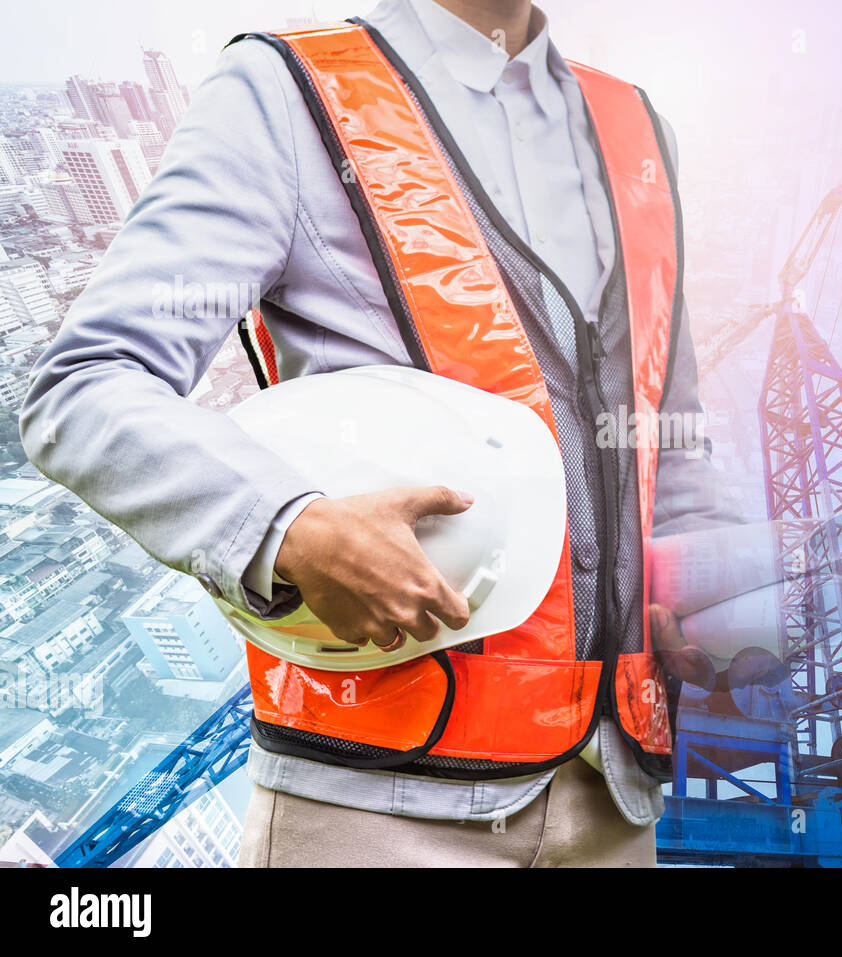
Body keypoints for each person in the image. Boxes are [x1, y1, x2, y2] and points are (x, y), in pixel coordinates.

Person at [21, 0, 736, 868]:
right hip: (380, 809)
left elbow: (667, 425)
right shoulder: (286, 96)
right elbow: (86, 383)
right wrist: (290, 528)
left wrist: (706, 578)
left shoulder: (636, 128)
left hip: (616, 800)